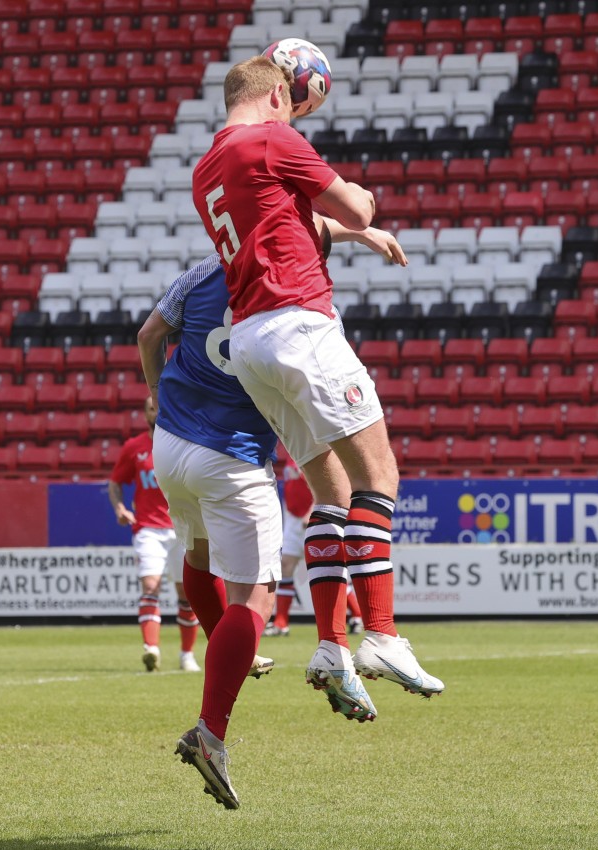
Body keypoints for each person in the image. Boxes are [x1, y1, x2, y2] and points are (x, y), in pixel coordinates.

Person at [192, 56, 444, 724]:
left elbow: (290, 224)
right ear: (279, 94)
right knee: (379, 475)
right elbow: (354, 202)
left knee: (331, 494)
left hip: (249, 339)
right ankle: (383, 634)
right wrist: (362, 212)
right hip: (299, 321)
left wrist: (355, 236)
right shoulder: (275, 138)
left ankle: (331, 644)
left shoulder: (209, 164)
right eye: (295, 104)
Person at [138, 219, 408, 806]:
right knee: (256, 600)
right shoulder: (288, 299)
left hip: (169, 444)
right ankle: (212, 732)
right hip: (230, 458)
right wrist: (362, 234)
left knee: (198, 555)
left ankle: (229, 650)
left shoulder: (200, 273)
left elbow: (148, 334)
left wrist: (160, 396)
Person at [108, 397, 200, 673]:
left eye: (160, 406)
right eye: (151, 408)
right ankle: (152, 649)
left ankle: (187, 655)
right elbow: (115, 482)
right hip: (148, 529)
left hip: (181, 527)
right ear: (145, 413)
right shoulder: (134, 447)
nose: (156, 411)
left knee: (187, 594)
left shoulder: (184, 443)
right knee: (150, 586)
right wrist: (120, 507)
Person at [264, 444, 364, 638]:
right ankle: (281, 623)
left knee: (333, 566)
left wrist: (312, 510)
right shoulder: (293, 446)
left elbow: (327, 482)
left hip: (316, 513)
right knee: (286, 566)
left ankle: (357, 615)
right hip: (293, 517)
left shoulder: (318, 445)